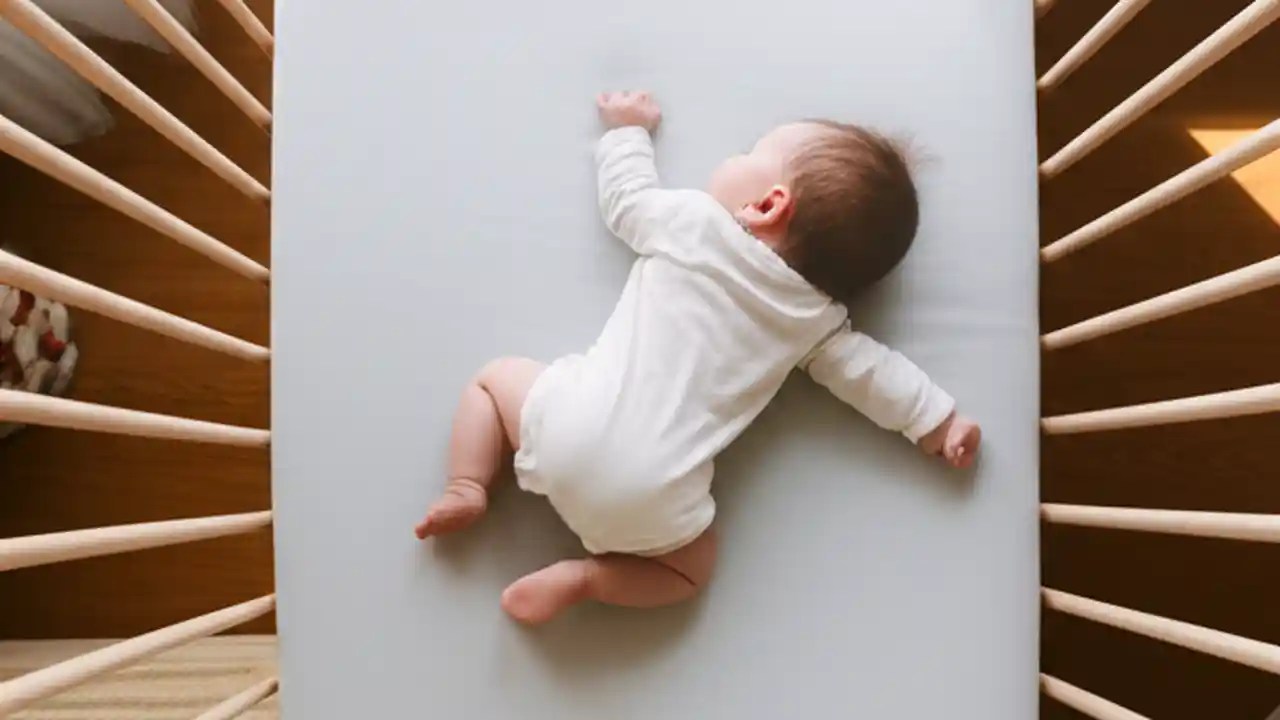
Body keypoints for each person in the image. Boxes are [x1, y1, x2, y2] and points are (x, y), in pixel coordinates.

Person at [415, 91, 981, 625]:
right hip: (654, 498)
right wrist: (936, 421)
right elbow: (872, 376)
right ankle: (587, 580)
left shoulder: (696, 224)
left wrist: (627, 132)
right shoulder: (815, 321)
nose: (734, 156)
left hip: (568, 427)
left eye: (750, 153)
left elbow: (626, 202)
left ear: (766, 204)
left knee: (493, 381)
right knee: (690, 571)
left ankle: (468, 484)